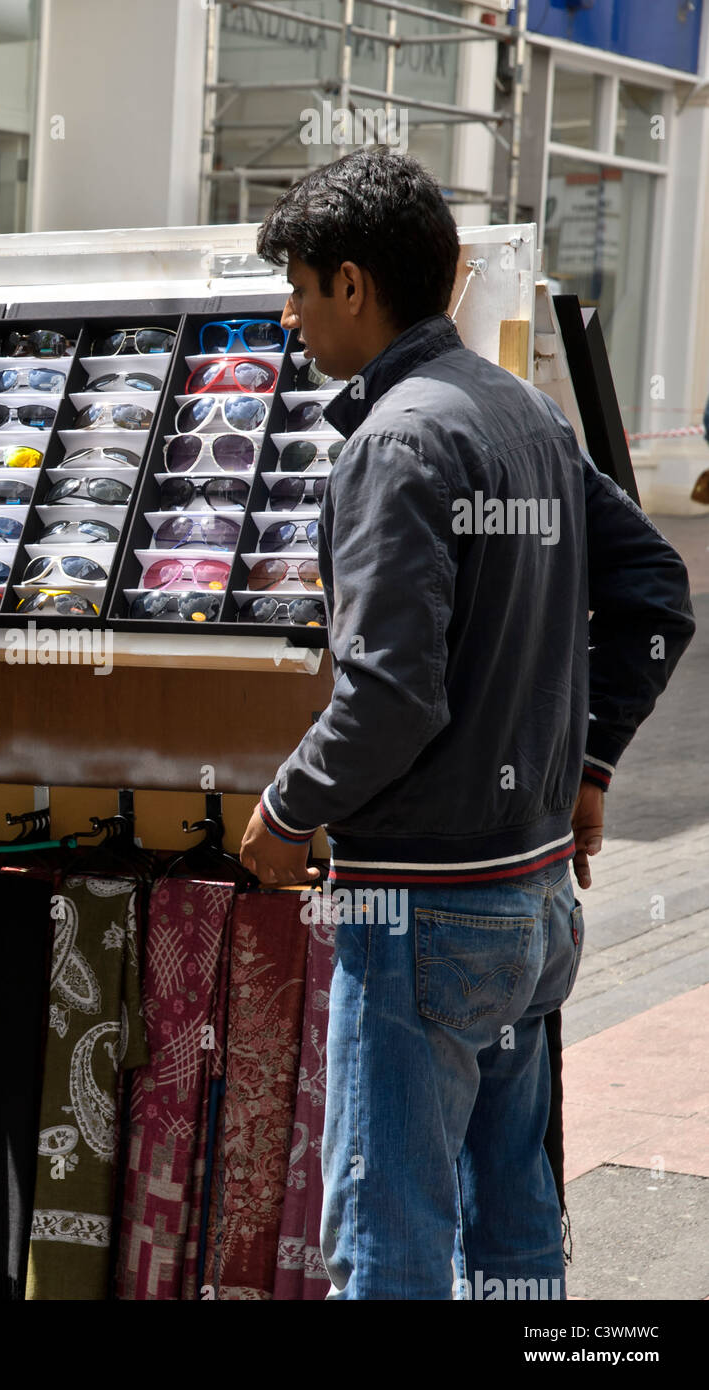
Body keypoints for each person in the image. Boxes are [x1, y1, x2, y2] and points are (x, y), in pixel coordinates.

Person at [237, 148, 695, 1300]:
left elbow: (391, 691)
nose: (287, 315)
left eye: (295, 285)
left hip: (422, 913)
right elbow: (654, 591)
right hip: (530, 906)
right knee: (511, 1224)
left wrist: (287, 808)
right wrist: (586, 768)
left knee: (388, 1236)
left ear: (352, 283)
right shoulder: (522, 414)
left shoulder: (399, 441)